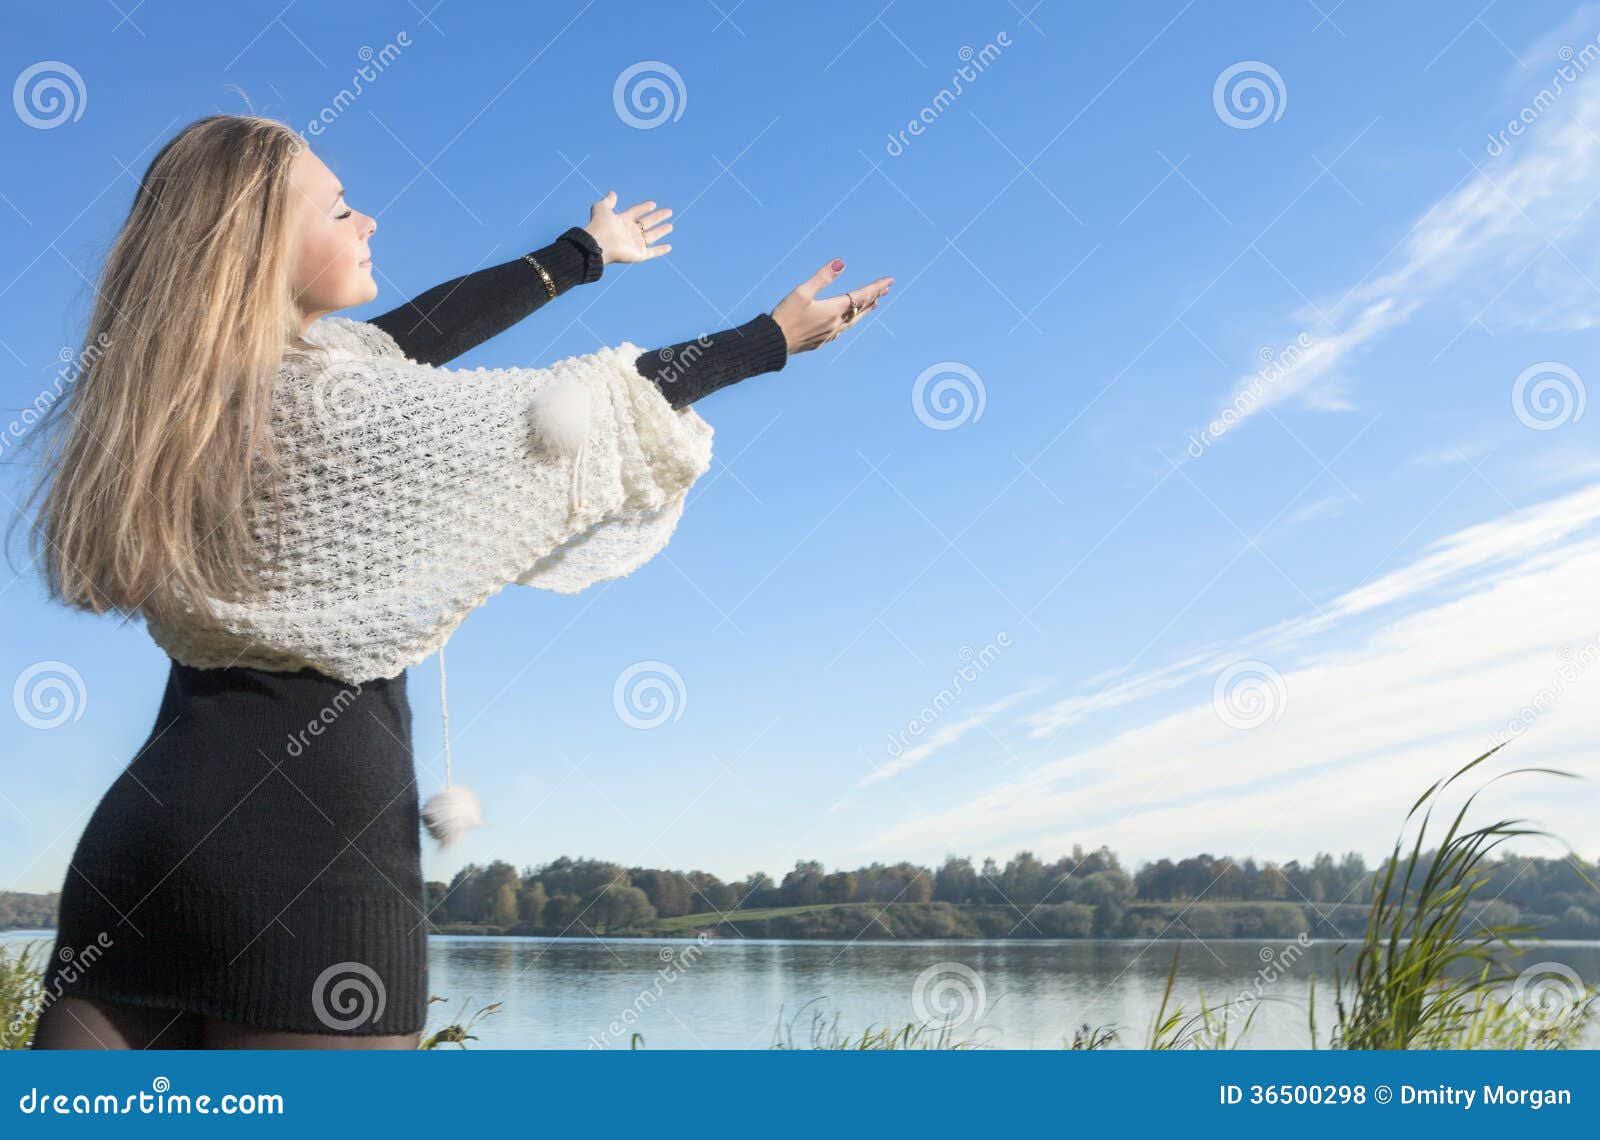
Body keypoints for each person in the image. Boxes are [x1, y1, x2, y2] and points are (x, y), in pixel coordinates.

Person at [17, 114, 890, 1049]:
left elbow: (415, 333)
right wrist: (768, 339)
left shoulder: (185, 404)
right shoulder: (332, 406)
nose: (370, 222)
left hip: (142, 858)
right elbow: (575, 411)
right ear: (258, 240)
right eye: (341, 207)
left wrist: (582, 252)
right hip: (312, 874)